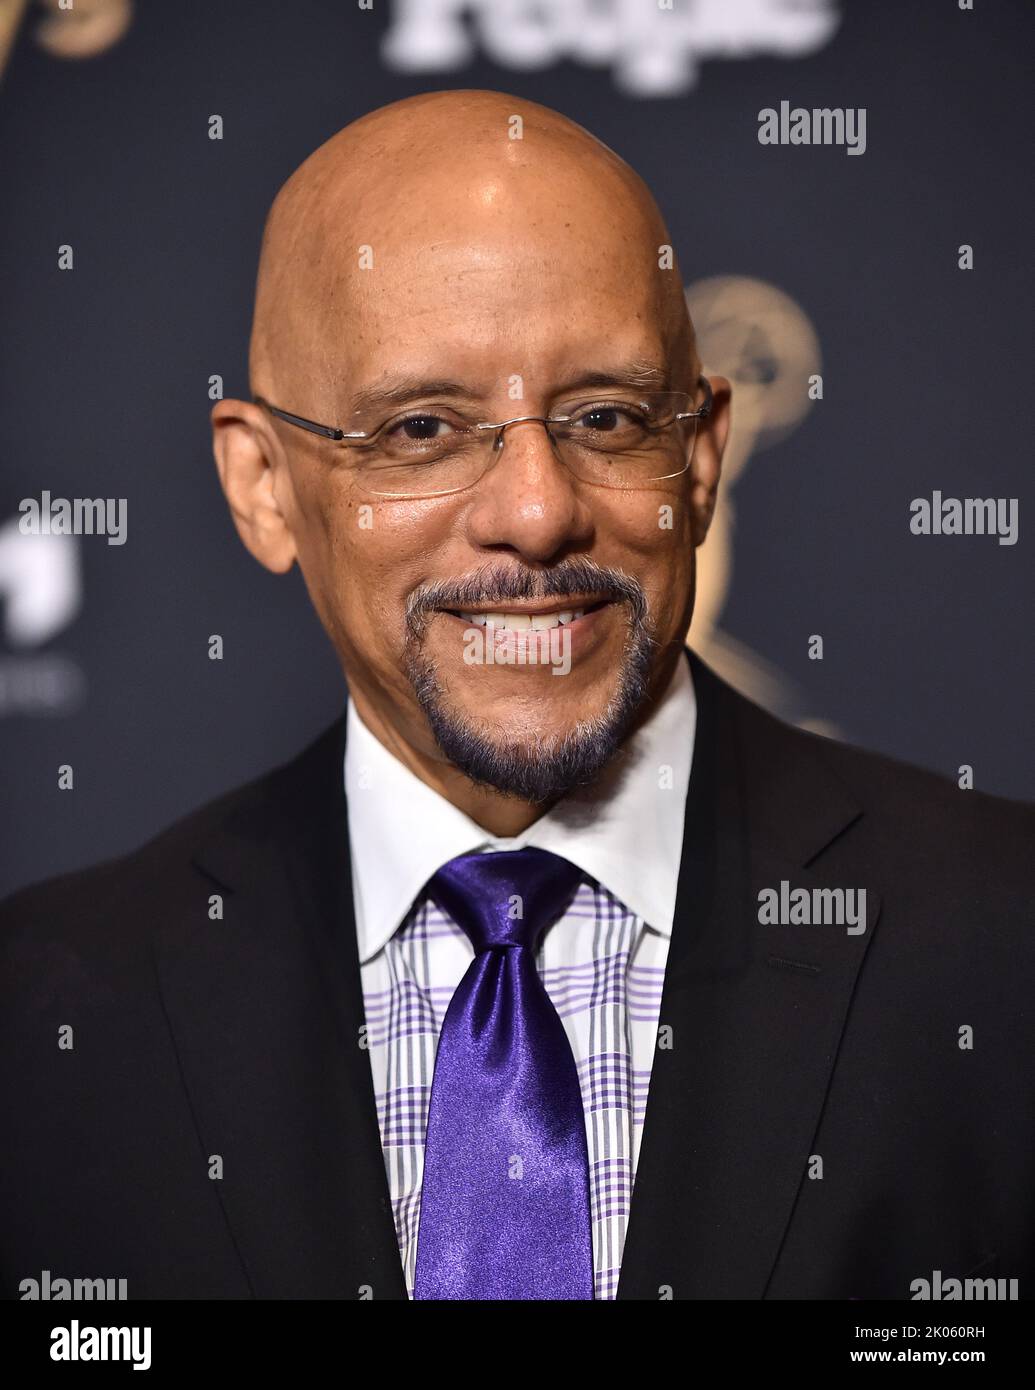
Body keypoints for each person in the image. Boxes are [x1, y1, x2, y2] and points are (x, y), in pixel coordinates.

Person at [2, 90, 1032, 1302]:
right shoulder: (44, 1022)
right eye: (424, 428)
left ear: (697, 461)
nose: (537, 513)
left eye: (603, 415)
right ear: (265, 486)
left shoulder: (1003, 950)